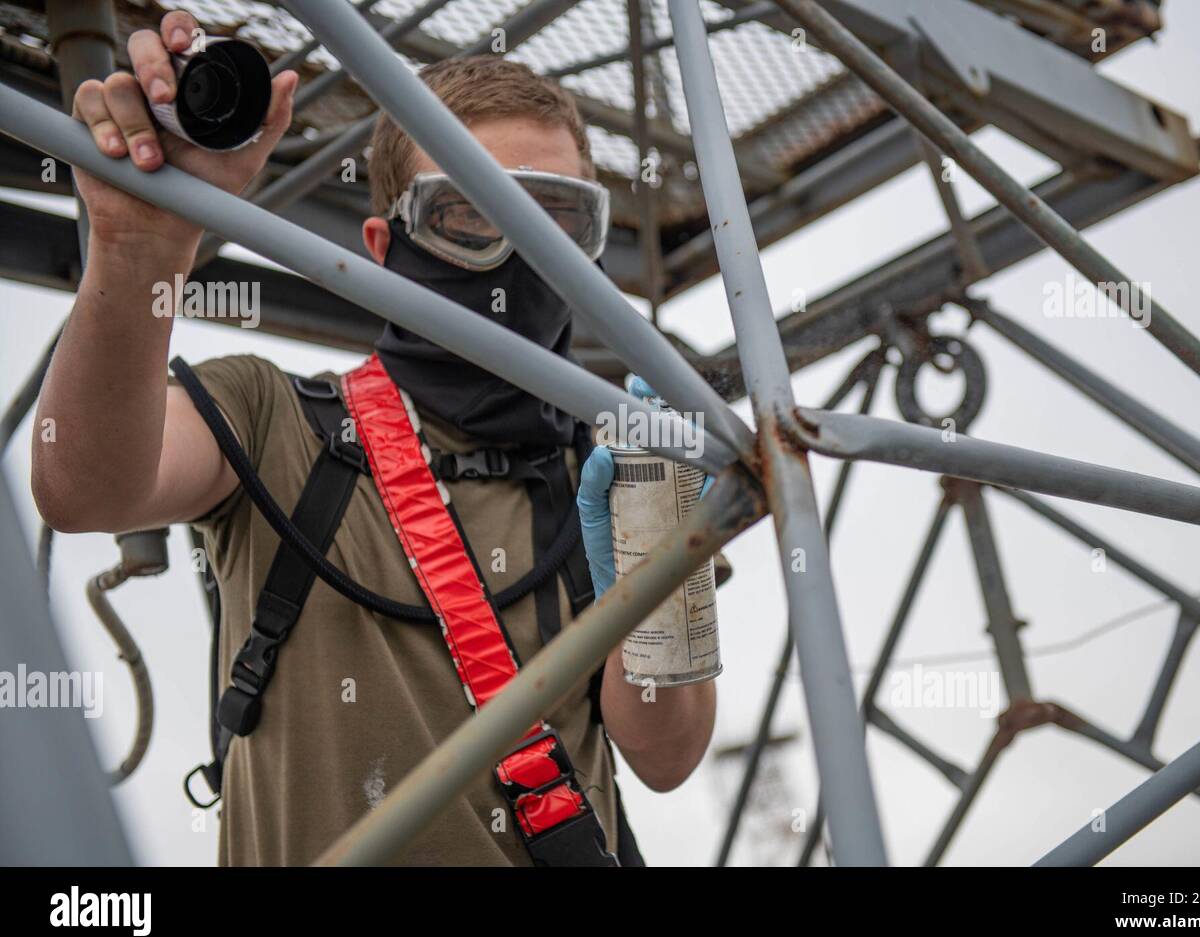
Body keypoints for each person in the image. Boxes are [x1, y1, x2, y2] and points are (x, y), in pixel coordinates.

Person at [31, 8, 716, 866]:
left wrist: (659, 570)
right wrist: (141, 254)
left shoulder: (619, 468)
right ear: (387, 245)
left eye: (555, 221)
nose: (516, 260)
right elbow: (84, 489)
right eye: (469, 216)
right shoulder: (274, 419)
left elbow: (667, 756)